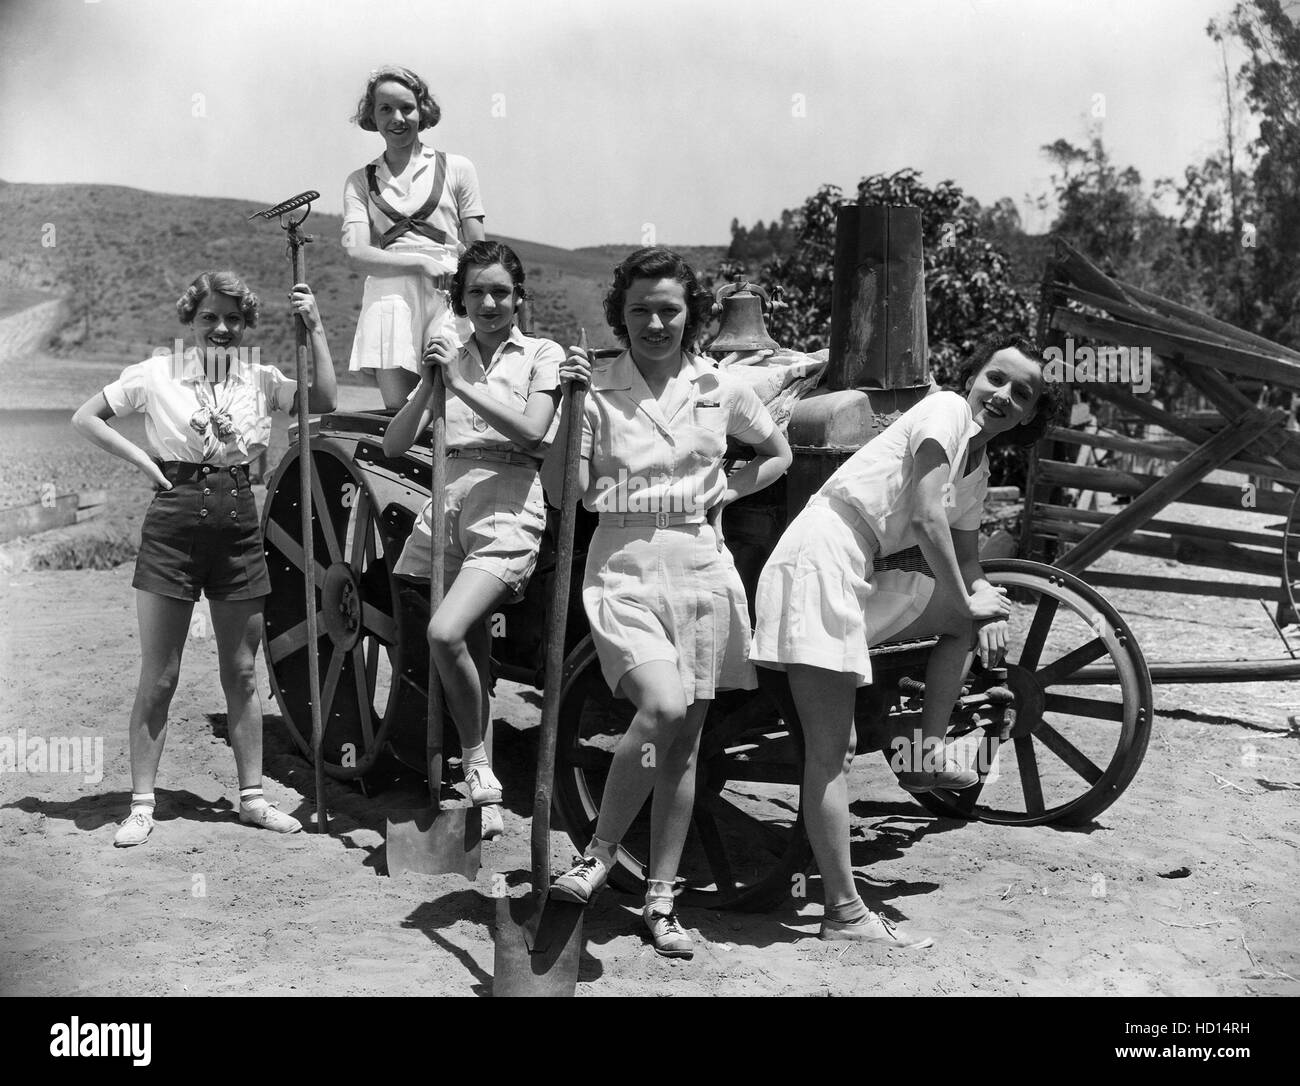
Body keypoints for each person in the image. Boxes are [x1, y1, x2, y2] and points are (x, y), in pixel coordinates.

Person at [749, 333, 1066, 946]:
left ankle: (922, 756)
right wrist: (973, 601)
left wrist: (984, 609)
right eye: (996, 378)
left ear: (1030, 416)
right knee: (832, 751)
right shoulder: (945, 410)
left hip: (858, 568)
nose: (1002, 395)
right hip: (821, 558)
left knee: (958, 618)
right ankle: (842, 913)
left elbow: (970, 563)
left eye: (1021, 394)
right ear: (972, 374)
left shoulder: (978, 468)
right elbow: (924, 519)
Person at [542, 247, 792, 959]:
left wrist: (725, 492)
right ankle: (596, 855)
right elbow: (564, 495)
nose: (656, 322)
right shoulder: (593, 389)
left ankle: (659, 903)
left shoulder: (718, 387)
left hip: (702, 567)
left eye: (669, 309)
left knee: (682, 753)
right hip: (621, 563)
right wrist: (567, 407)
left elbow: (778, 455)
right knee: (663, 708)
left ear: (692, 315)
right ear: (620, 317)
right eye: (640, 310)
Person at [71, 271, 338, 847]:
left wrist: (314, 327)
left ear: (246, 325)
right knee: (161, 674)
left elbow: (326, 400)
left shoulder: (260, 377)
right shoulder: (156, 372)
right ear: (190, 320)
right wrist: (148, 465)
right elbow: (85, 417)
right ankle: (142, 806)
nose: (221, 328)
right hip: (173, 525)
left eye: (233, 319)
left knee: (242, 671)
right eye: (209, 317)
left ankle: (251, 800)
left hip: (241, 525)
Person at [384, 241, 564, 841]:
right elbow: (393, 445)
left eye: (501, 292)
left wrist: (459, 384)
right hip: (448, 496)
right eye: (476, 293)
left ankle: (479, 765)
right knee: (442, 629)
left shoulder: (542, 354)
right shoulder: (450, 356)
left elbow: (535, 434)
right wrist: (430, 383)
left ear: (520, 298)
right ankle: (462, 778)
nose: (489, 303)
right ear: (459, 300)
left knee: (447, 630)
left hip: (510, 501)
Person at [342, 65, 486, 410]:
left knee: (455, 407)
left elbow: (479, 247)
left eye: (407, 107)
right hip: (390, 298)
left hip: (450, 294)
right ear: (372, 116)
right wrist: (420, 263)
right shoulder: (360, 180)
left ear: (422, 109)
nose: (398, 117)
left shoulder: (457, 168)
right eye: (385, 109)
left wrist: (471, 283)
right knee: (404, 411)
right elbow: (357, 251)